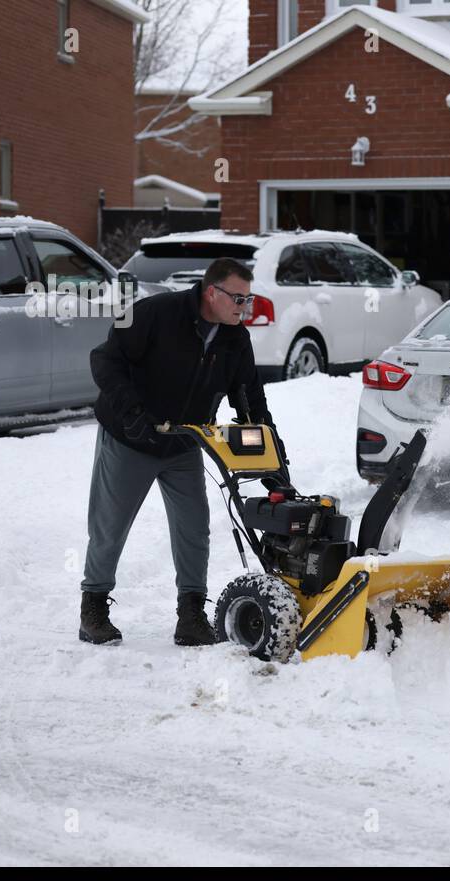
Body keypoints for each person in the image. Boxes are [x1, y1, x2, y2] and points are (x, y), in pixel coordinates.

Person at [78, 258, 274, 646]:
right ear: (211, 293)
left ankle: (191, 616)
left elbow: (249, 393)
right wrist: (131, 411)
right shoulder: (154, 313)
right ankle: (93, 609)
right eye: (238, 298)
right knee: (110, 526)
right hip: (130, 439)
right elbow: (105, 359)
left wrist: (270, 445)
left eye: (248, 299)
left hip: (185, 442)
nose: (243, 307)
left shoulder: (235, 338)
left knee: (193, 528)